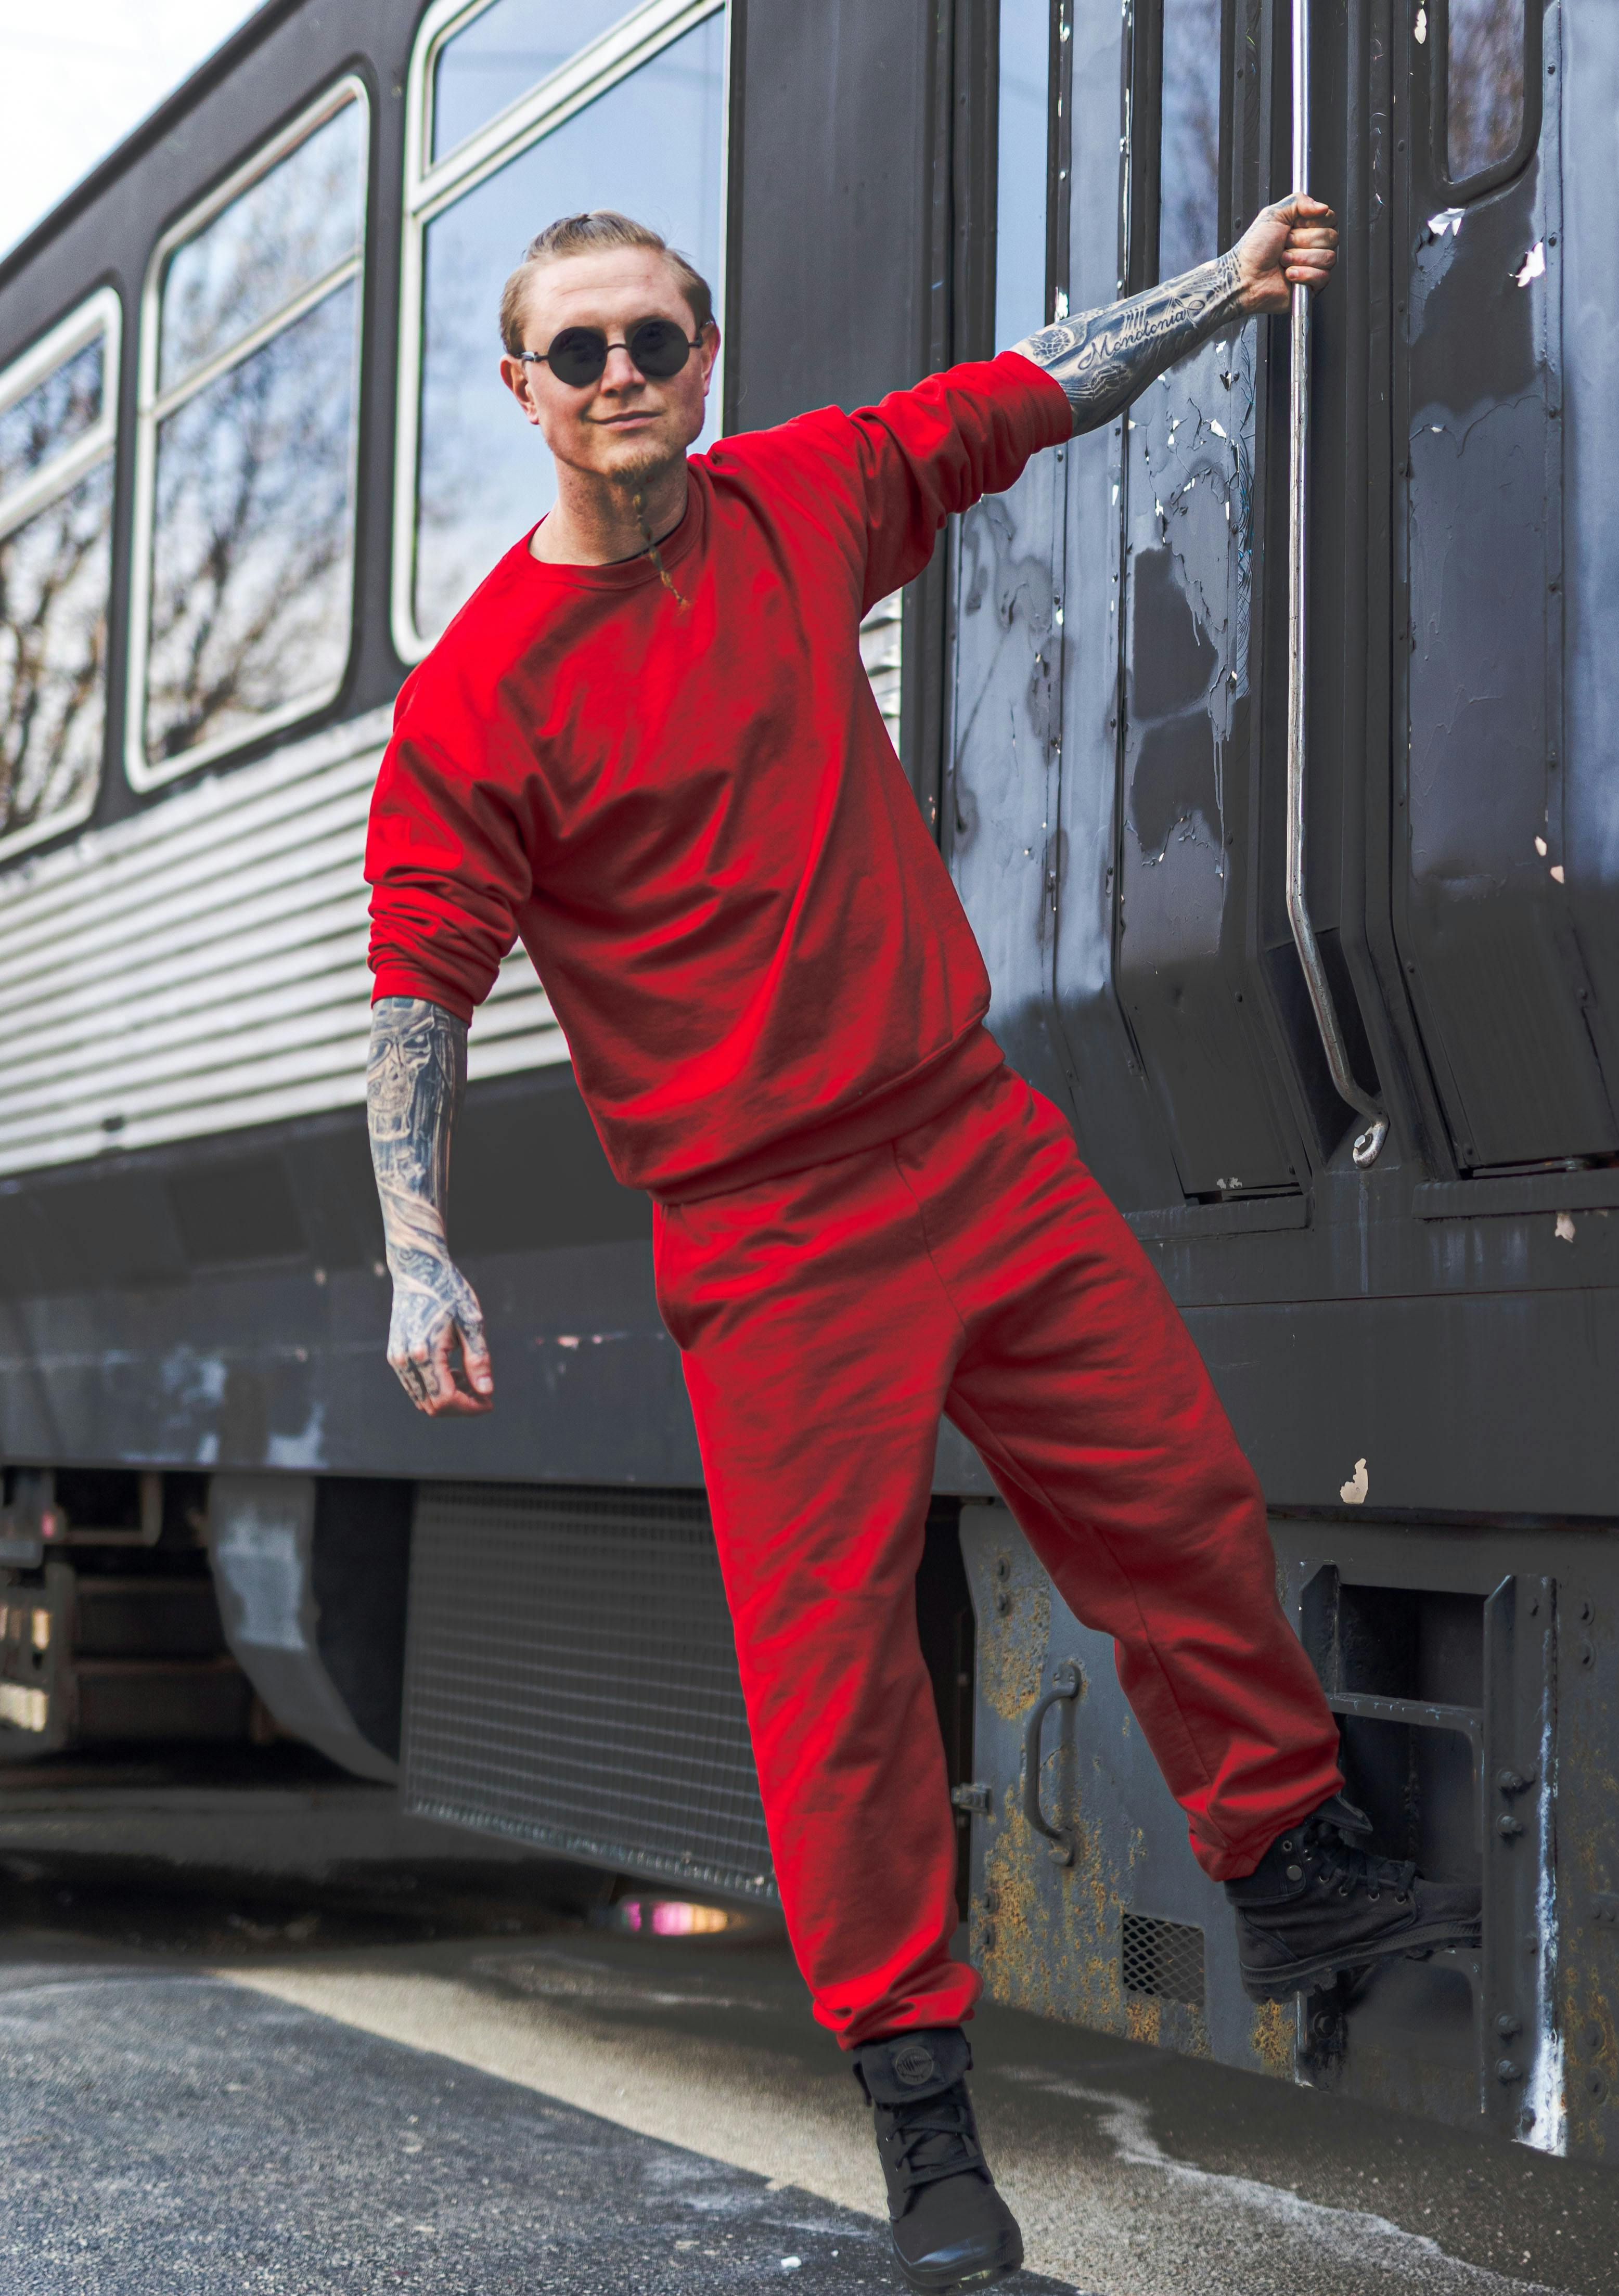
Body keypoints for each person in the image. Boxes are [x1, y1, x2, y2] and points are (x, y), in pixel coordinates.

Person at [364, 201, 1481, 2294]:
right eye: (579, 354)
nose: (625, 382)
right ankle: (922, 2119)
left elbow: (1013, 401)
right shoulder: (481, 699)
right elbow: (417, 987)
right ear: (521, 392)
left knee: (1173, 1500)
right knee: (837, 1680)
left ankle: (1290, 1868)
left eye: (658, 342)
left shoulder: (788, 499)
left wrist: (1226, 286)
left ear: (707, 354)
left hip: (970, 1140)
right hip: (766, 1230)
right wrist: (417, 1250)